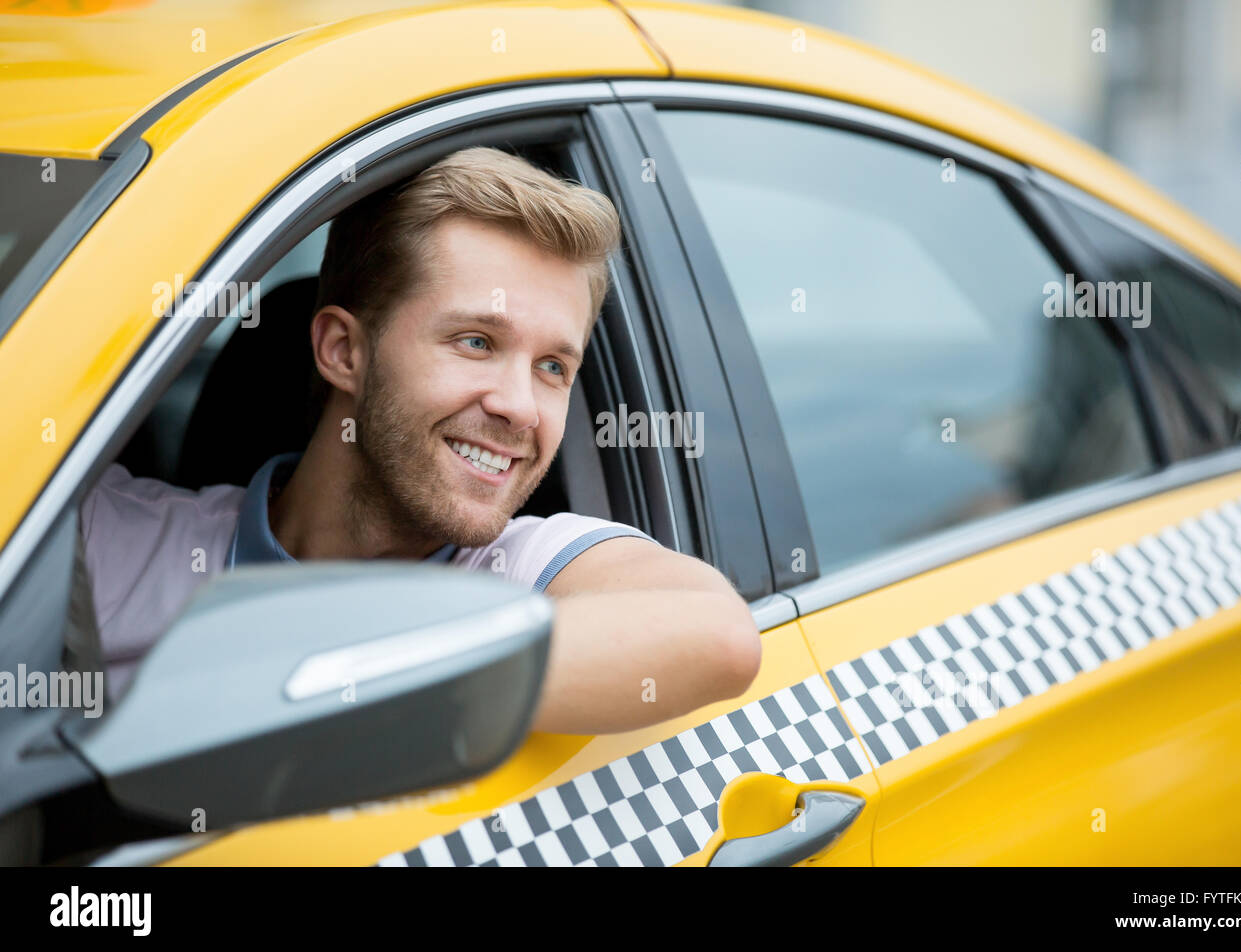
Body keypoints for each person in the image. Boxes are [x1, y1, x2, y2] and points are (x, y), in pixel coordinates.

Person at [77, 146, 761, 734]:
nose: (521, 407)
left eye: (553, 367)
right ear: (344, 350)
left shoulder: (520, 574)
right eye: (476, 342)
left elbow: (720, 635)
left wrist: (347, 673)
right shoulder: (108, 542)